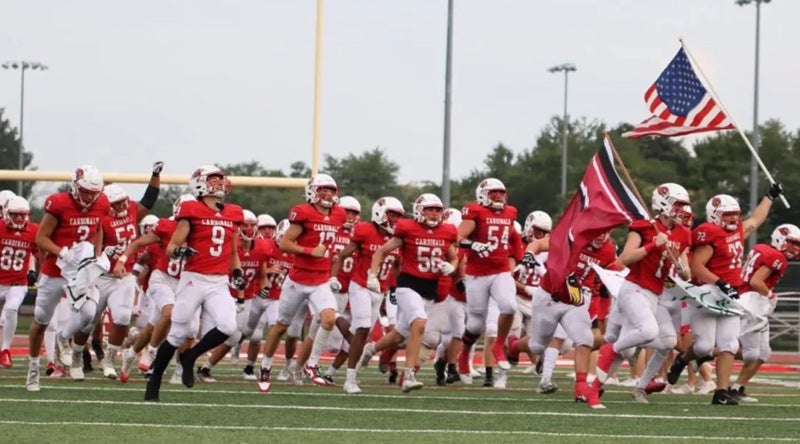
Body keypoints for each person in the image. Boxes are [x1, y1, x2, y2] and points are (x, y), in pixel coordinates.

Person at [669, 183, 782, 406]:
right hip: (708, 293)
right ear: (715, 215)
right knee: (704, 346)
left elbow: (756, 219)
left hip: (730, 295)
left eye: (735, 214)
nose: (733, 219)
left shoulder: (737, 231)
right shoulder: (710, 233)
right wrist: (720, 282)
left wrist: (770, 196)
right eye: (727, 215)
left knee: (729, 344)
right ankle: (682, 359)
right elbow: (697, 266)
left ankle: (720, 392)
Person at [144, 165, 245, 402]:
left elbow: (232, 251)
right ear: (200, 183)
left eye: (221, 178)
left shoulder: (234, 213)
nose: (220, 182)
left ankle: (190, 357)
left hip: (219, 281)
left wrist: (237, 272)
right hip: (194, 279)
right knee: (179, 332)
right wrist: (181, 250)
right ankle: (154, 381)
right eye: (214, 178)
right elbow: (171, 248)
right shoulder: (191, 209)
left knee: (228, 326)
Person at [593, 183, 692, 404]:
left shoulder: (683, 234)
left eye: (683, 205)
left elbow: (686, 271)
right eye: (678, 205)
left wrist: (683, 271)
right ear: (663, 204)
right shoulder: (645, 228)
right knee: (629, 343)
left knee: (667, 342)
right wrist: (652, 245)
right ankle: (596, 381)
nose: (682, 210)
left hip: (655, 295)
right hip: (634, 288)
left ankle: (641, 386)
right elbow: (625, 259)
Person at [357, 193, 459, 393]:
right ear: (419, 211)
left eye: (437, 210)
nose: (434, 214)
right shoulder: (408, 228)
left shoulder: (447, 231)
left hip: (429, 288)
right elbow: (381, 251)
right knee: (419, 323)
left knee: (398, 336)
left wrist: (451, 266)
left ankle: (370, 350)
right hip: (408, 285)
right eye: (430, 209)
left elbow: (453, 257)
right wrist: (372, 275)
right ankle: (409, 375)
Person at [256, 174, 346, 393]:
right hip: (298, 280)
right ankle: (265, 366)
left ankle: (311, 365)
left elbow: (330, 241)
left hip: (320, 279)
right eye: (323, 190)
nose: (328, 194)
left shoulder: (339, 214)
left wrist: (330, 256)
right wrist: (309, 251)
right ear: (312, 192)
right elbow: (285, 243)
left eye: (331, 190)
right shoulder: (304, 212)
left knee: (328, 319)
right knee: (281, 326)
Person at [26, 165, 109, 392]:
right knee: (41, 320)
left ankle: (63, 338)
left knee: (89, 313)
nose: (89, 198)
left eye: (93, 193)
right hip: (55, 270)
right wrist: (62, 252)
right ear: (75, 186)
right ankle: (33, 368)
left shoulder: (102, 204)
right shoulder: (59, 204)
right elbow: (41, 238)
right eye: (85, 192)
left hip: (78, 271)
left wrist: (96, 255)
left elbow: (98, 228)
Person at [334, 196, 404, 394]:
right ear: (380, 213)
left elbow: (397, 265)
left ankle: (341, 372)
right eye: (392, 214)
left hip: (379, 291)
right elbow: (343, 254)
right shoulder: (365, 230)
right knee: (363, 328)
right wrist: (332, 276)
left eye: (398, 216)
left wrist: (397, 287)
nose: (395, 219)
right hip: (360, 286)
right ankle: (350, 379)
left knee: (361, 334)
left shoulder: (398, 238)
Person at [457, 178, 523, 381]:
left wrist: (519, 259)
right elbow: (457, 237)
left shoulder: (510, 212)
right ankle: (464, 354)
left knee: (509, 306)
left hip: (500, 270)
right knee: (476, 324)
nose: (500, 197)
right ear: (483, 195)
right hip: (477, 274)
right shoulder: (475, 211)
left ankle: (498, 346)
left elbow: (513, 237)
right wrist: (472, 245)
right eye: (495, 193)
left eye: (502, 193)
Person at [731, 223, 798, 402]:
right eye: (792, 243)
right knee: (750, 353)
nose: (795, 248)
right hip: (752, 301)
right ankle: (702, 354)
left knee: (763, 353)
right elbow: (756, 281)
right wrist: (770, 295)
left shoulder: (761, 248)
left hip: (748, 299)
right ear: (780, 238)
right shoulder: (777, 257)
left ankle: (737, 388)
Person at [0, 196, 39, 368]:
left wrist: (33, 270)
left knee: (11, 309)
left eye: (22, 215)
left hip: (17, 282)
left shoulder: (34, 230)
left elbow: (38, 252)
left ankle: (5, 350)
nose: (19, 219)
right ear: (6, 213)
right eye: (15, 215)